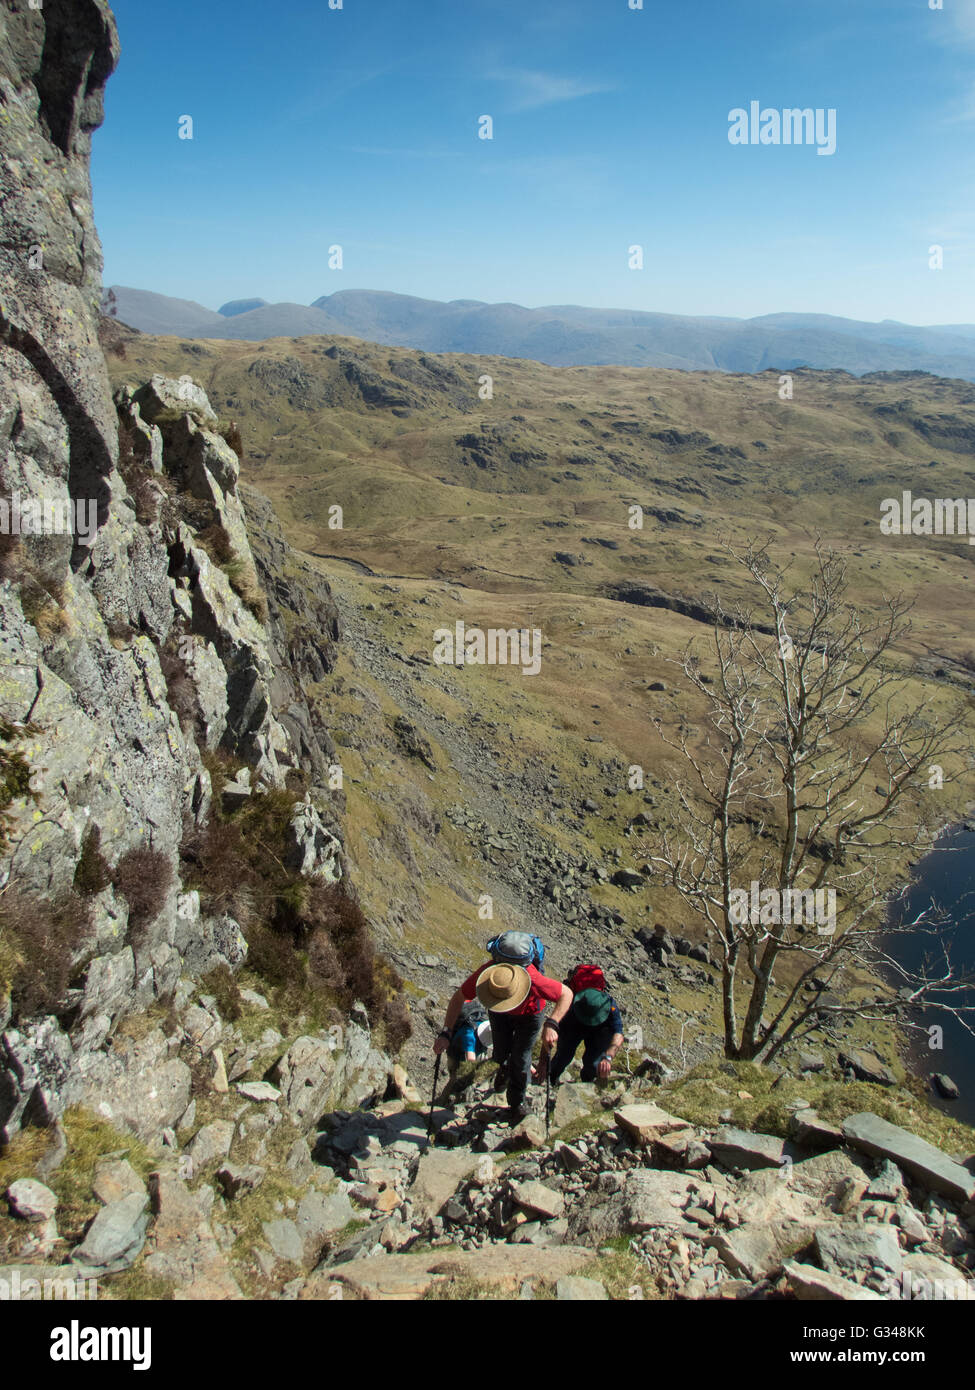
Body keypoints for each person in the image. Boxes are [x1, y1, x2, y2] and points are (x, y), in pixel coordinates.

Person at [434, 931, 572, 1119]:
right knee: (500, 1052)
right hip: (499, 1012)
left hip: (530, 1015)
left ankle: (517, 1103)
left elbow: (566, 994)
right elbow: (459, 997)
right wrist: (446, 1032)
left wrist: (552, 1023)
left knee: (521, 1057)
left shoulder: (533, 978)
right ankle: (505, 1067)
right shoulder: (490, 973)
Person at [545, 986, 624, 1084]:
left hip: (600, 1030)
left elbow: (618, 1033)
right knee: (563, 1055)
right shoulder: (573, 1005)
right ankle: (550, 1078)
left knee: (595, 1062)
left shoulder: (611, 1007)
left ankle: (589, 1083)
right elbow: (559, 1027)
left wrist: (608, 1057)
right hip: (575, 1024)